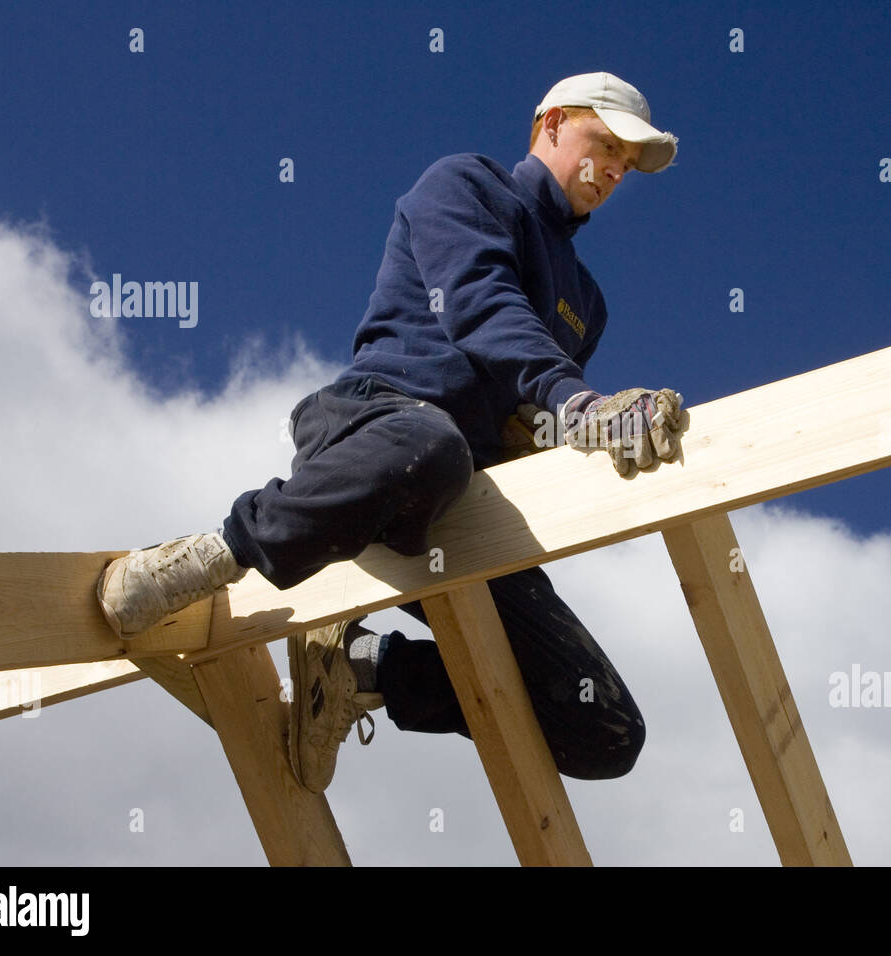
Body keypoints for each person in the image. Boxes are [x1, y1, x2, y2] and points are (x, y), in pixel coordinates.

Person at [96, 71, 684, 793]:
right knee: (432, 445)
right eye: (607, 144)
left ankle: (359, 668)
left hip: (459, 503)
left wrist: (580, 432)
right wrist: (577, 401)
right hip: (377, 427)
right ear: (553, 122)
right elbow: (479, 301)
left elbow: (525, 411)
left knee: (604, 731)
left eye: (630, 163)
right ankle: (213, 554)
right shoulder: (468, 185)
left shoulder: (584, 302)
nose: (616, 170)